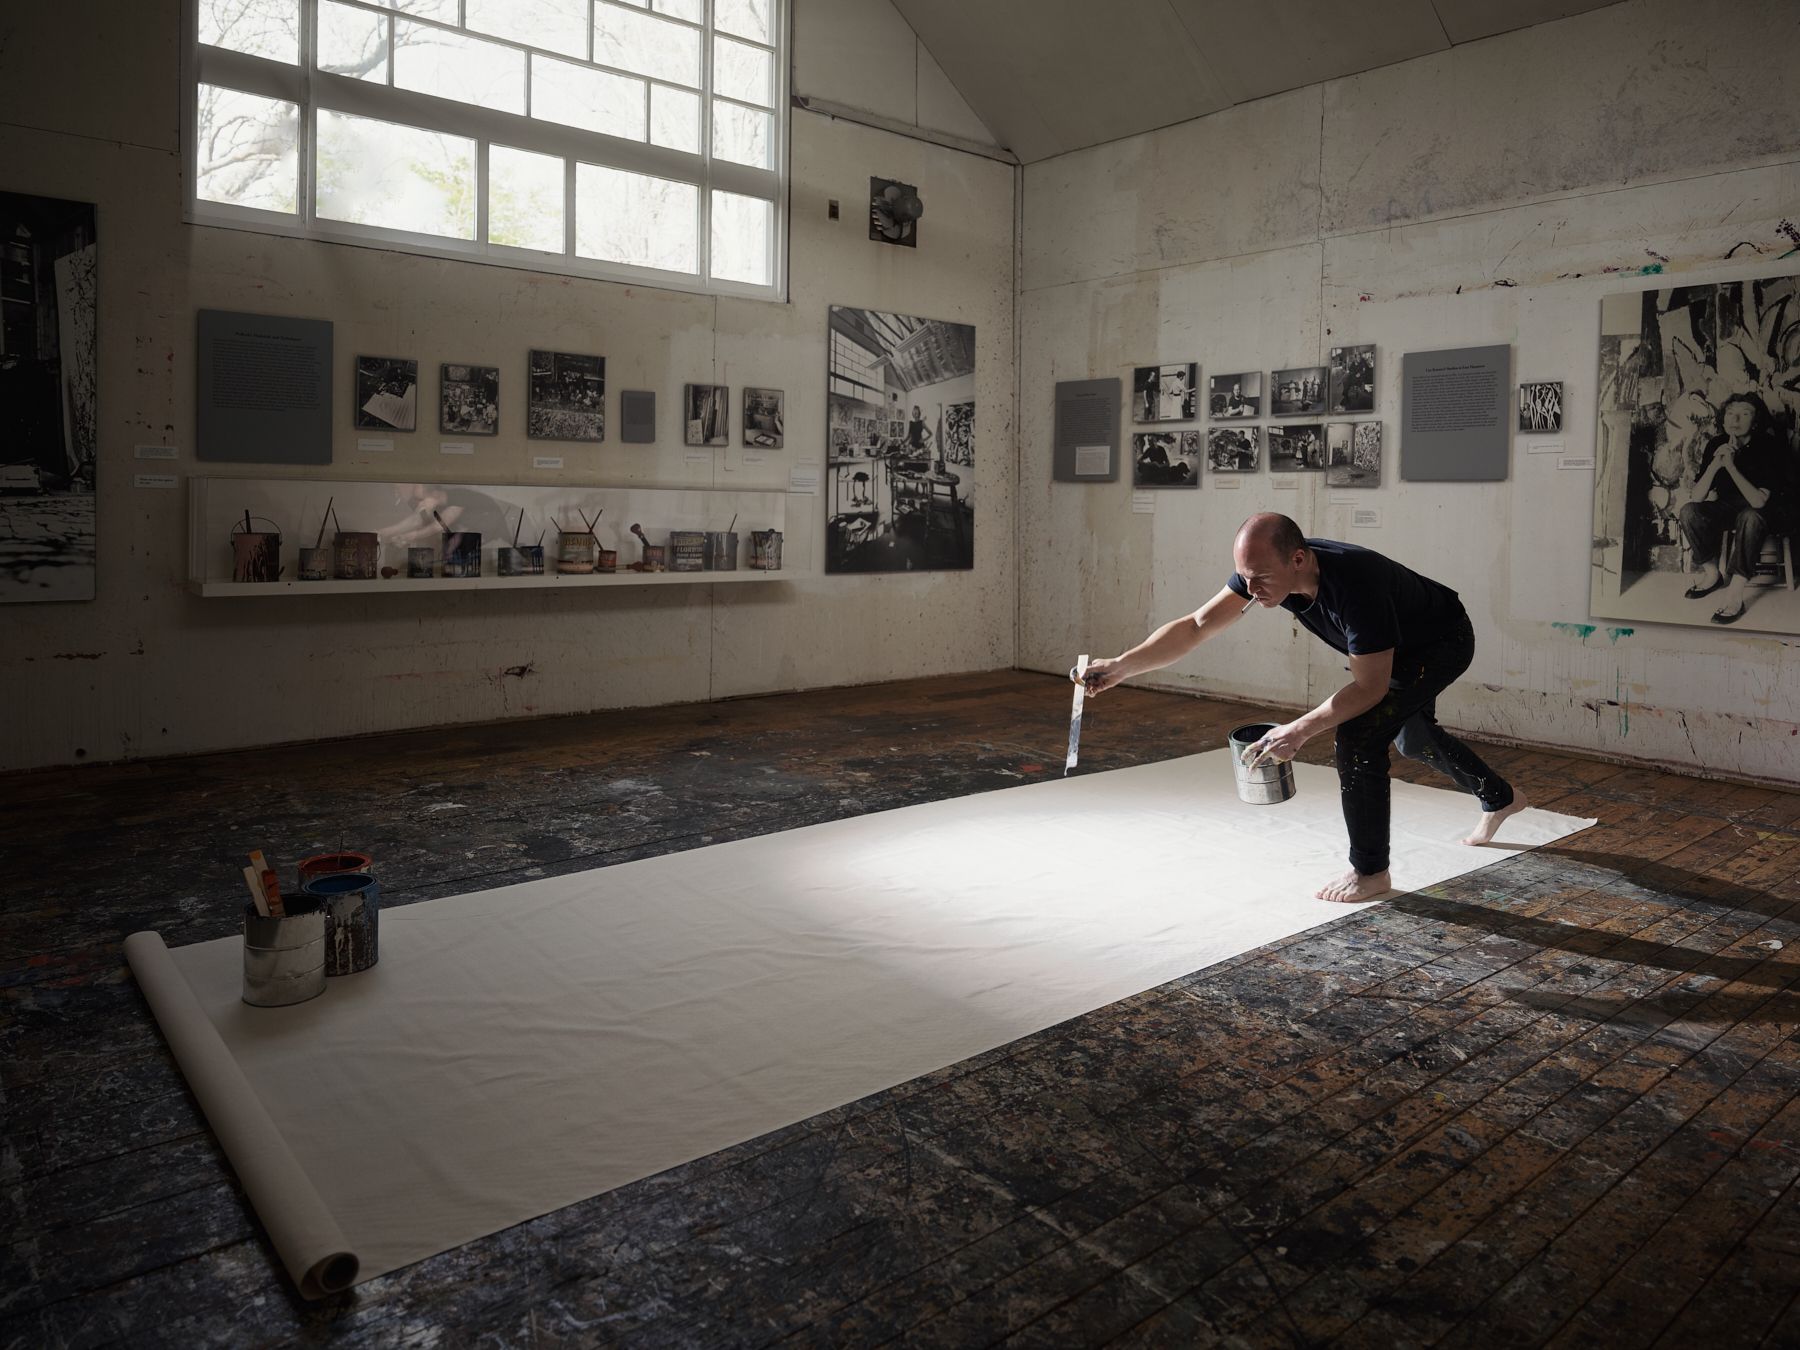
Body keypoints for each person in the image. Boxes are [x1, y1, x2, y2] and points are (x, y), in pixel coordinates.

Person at [1079, 513, 1526, 903]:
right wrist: (1122, 666)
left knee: (1359, 736)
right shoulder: (1267, 575)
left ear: (1297, 559)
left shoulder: (1356, 586)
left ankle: (1370, 871)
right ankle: (1500, 798)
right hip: (1398, 646)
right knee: (1413, 737)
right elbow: (1197, 626)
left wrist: (1299, 729)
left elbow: (1369, 687)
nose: (1250, 591)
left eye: (1259, 579)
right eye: (1243, 578)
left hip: (1440, 643)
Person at [1677, 392, 1797, 624]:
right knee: (1688, 511)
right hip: (1729, 508)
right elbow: (1697, 496)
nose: (1735, 420)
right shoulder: (1716, 443)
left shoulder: (1770, 446)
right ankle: (1712, 575)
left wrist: (1730, 466)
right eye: (1730, 414)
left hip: (1768, 512)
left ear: (1756, 421)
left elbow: (1759, 502)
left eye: (1744, 414)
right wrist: (1716, 463)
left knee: (1750, 516)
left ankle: (1735, 592)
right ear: (1723, 419)